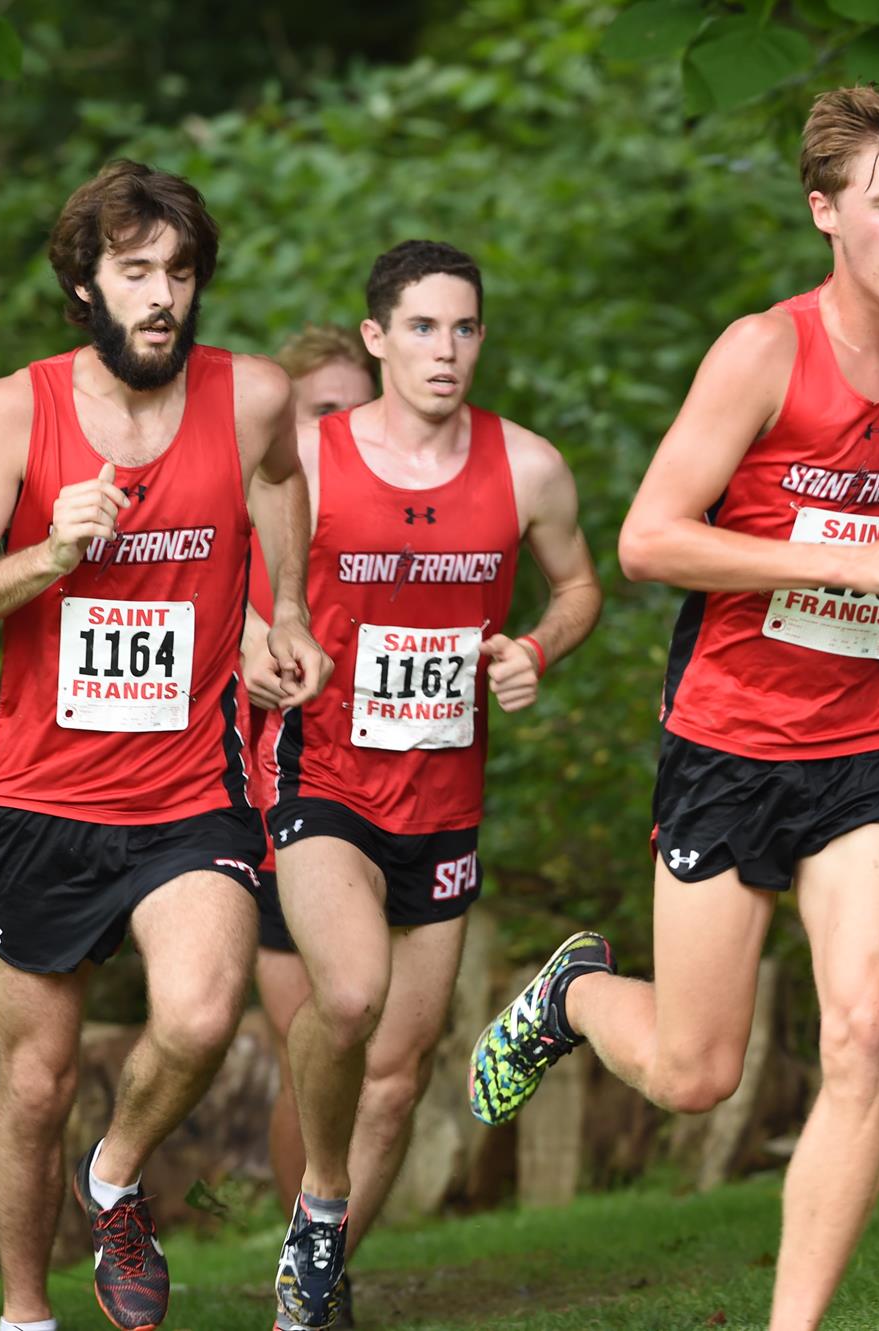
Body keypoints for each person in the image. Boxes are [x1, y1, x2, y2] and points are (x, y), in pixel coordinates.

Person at [464, 84, 879, 1331]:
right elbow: (648, 542)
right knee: (694, 1071)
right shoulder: (762, 351)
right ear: (825, 212)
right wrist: (839, 559)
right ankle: (568, 996)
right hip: (728, 740)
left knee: (866, 1023)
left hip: (869, 742)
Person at [0, 160, 329, 1331]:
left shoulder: (248, 394)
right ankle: (22, 1312)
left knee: (199, 1012)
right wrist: (49, 554)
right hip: (44, 795)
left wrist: (284, 609)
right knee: (34, 1084)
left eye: (179, 273)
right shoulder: (17, 409)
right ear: (85, 284)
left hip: (186, 788)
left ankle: (116, 1172)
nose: (161, 296)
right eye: (135, 271)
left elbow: (279, 478)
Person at [257, 240, 601, 1330]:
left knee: (399, 1073)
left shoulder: (529, 467)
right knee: (348, 995)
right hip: (322, 770)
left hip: (443, 794)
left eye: (462, 329)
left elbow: (581, 584)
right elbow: (230, 590)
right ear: (375, 338)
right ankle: (317, 1207)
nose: (443, 350)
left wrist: (536, 649)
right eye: (419, 328)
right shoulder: (307, 459)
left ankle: (306, 1295)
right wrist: (274, 637)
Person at [248, 324, 376, 1257]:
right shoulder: (254, 521)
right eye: (325, 410)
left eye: (358, 406)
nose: (347, 426)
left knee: (392, 1063)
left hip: (403, 799)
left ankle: (329, 1266)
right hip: (273, 807)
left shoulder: (401, 508)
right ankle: (307, 1271)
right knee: (314, 1040)